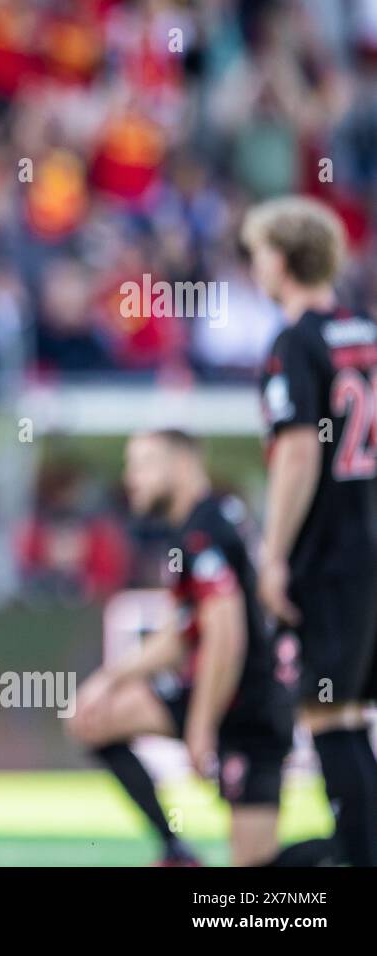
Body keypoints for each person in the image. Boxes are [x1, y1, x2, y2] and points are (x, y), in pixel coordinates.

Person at [69, 430, 295, 866]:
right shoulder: (200, 524)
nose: (130, 478)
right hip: (220, 696)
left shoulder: (206, 532)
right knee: (92, 719)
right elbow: (183, 635)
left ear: (180, 465)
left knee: (254, 872)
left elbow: (226, 637)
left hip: (251, 712)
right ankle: (176, 851)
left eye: (141, 465)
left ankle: (349, 841)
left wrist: (201, 726)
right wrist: (109, 679)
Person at [244, 196, 377, 866]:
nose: (255, 265)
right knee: (350, 712)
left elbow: (298, 450)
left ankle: (359, 854)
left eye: (260, 250)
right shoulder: (365, 331)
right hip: (369, 546)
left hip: (326, 555)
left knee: (327, 713)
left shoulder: (294, 340)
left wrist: (272, 554)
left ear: (283, 257)